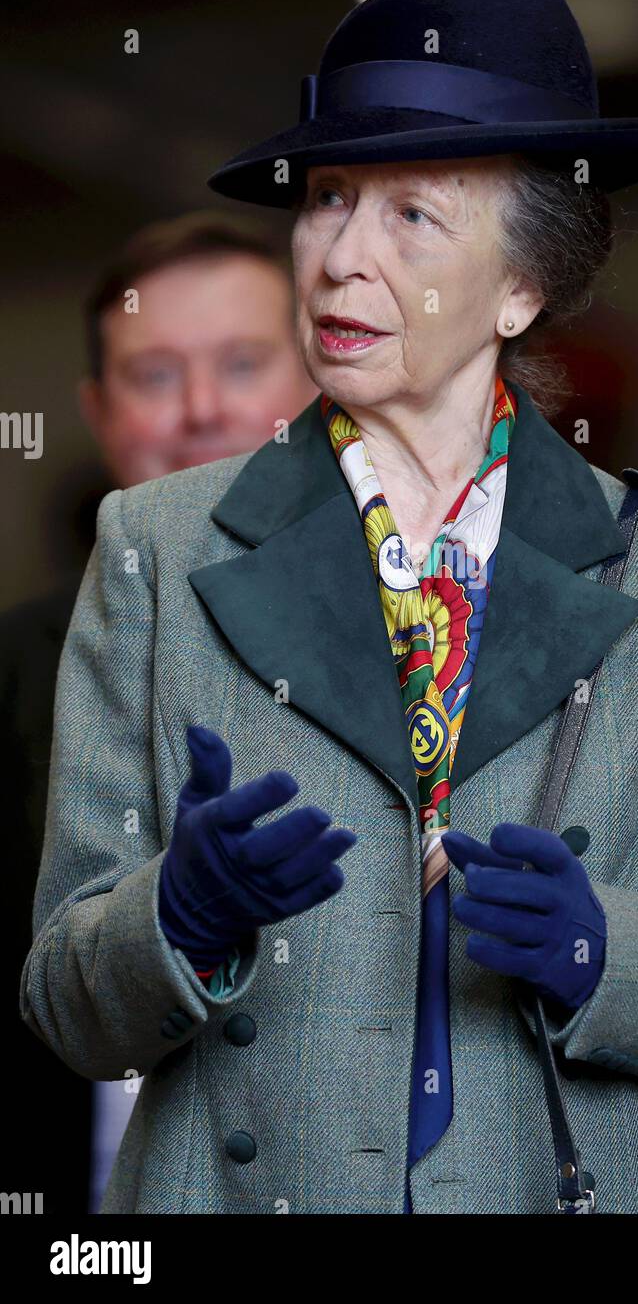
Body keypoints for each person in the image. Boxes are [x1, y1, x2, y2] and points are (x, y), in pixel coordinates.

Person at [22, 0, 638, 1216]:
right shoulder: (156, 545)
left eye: (411, 215)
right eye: (327, 199)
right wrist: (175, 915)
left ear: (520, 285)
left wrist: (597, 946)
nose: (340, 256)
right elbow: (66, 1005)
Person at [5, 211, 315, 1213]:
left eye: (240, 363)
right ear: (98, 411)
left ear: (315, 382)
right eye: (153, 374)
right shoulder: (12, 670)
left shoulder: (421, 631)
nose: (198, 410)